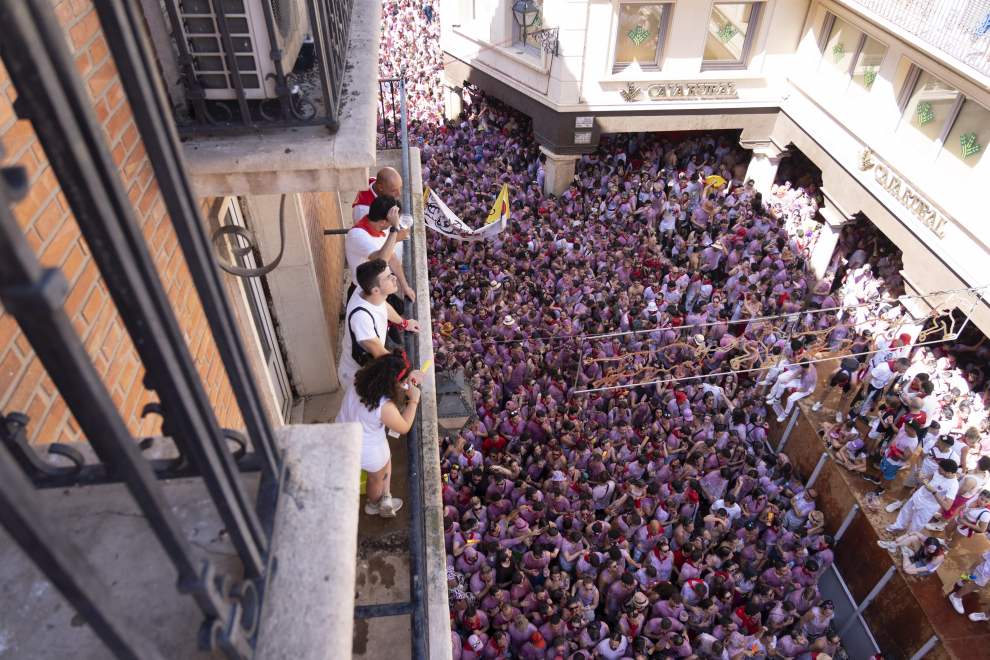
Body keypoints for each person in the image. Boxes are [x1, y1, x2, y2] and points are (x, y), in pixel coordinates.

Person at [337, 349, 424, 517]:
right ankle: (374, 505)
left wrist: (406, 379)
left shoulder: (363, 376)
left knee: (385, 460)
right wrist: (413, 399)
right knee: (375, 478)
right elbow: (404, 427)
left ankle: (385, 496)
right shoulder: (384, 406)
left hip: (343, 433)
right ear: (394, 383)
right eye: (404, 381)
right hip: (366, 449)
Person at [339, 259, 421, 390]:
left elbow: (384, 306)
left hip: (368, 369)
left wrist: (404, 323)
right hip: (358, 378)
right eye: (389, 277)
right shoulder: (361, 318)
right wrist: (407, 375)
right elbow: (380, 353)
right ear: (375, 290)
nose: (394, 278)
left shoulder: (368, 292)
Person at [877, 532, 945, 576]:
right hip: (922, 555)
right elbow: (915, 532)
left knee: (907, 570)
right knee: (914, 538)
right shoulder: (927, 541)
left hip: (924, 565)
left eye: (934, 549)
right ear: (926, 544)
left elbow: (927, 568)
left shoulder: (938, 557)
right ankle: (892, 545)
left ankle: (905, 553)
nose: (931, 551)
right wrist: (902, 537)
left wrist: (913, 570)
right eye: (929, 548)